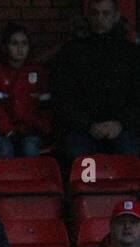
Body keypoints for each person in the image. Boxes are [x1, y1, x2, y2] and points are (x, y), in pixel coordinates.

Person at [49, 0, 140, 161]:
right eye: (95, 13)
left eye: (106, 13)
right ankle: (89, 185)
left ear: (116, 16)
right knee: (81, 166)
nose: (100, 18)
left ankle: (124, 187)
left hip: (123, 130)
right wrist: (88, 125)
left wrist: (120, 124)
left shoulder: (131, 54)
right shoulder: (71, 53)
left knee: (130, 155)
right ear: (88, 16)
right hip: (83, 132)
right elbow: (63, 98)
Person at [0, 22, 52, 159]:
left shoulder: (38, 72)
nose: (20, 48)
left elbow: (47, 109)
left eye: (24, 43)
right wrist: (9, 131)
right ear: (5, 47)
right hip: (5, 133)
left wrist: (40, 128)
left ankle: (33, 181)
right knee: (4, 150)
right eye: (14, 44)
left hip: (33, 133)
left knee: (29, 147)